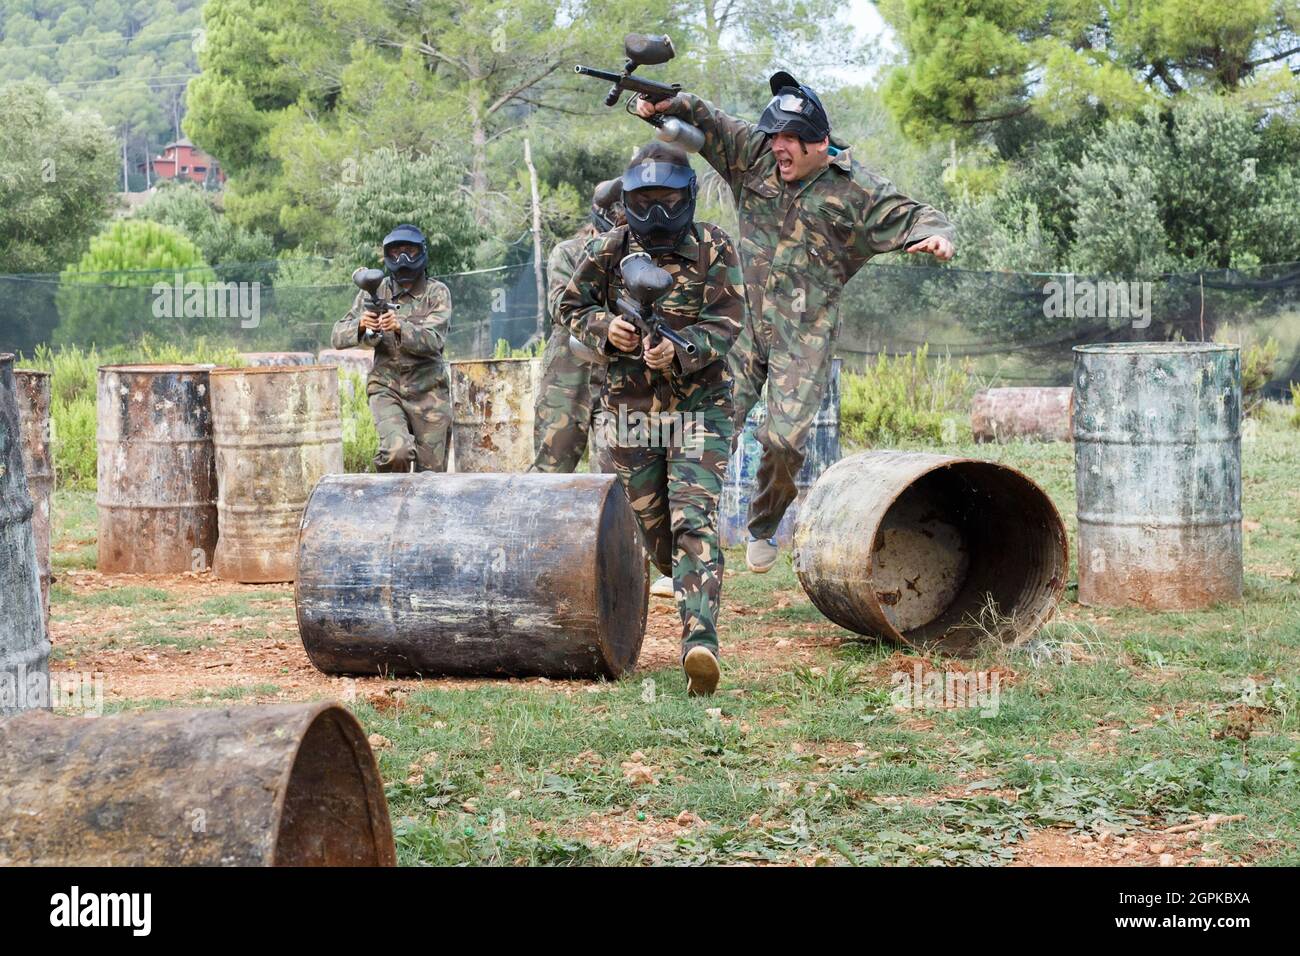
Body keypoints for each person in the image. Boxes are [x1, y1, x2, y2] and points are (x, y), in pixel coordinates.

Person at [636, 72, 956, 572]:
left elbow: (918, 215)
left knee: (784, 442)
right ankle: (680, 546)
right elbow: (710, 122)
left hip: (801, 336)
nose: (778, 147)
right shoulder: (755, 156)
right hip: (739, 327)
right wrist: (665, 104)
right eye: (775, 137)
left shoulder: (858, 192)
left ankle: (762, 525)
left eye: (789, 140)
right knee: (706, 429)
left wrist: (936, 236)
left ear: (818, 144)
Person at [558, 142, 744, 697]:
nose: (659, 213)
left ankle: (700, 642)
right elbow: (569, 306)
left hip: (698, 409)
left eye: (669, 200)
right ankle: (690, 590)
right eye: (647, 201)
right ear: (630, 200)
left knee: (693, 520)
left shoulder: (714, 246)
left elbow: (729, 321)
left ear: (687, 197)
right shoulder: (609, 248)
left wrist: (681, 349)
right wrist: (605, 328)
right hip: (633, 411)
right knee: (653, 529)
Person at [331, 224, 453, 472]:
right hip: (387, 388)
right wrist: (362, 326)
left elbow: (434, 340)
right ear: (388, 256)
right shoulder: (378, 290)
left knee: (431, 475)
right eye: (397, 253)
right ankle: (387, 506)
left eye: (409, 251)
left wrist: (400, 327)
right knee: (397, 452)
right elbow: (337, 335)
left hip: (429, 392)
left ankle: (422, 512)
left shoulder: (437, 293)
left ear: (421, 253)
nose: (403, 259)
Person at [531, 179, 625, 475]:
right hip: (567, 375)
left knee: (615, 472)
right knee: (551, 469)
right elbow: (561, 305)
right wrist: (608, 324)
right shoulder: (569, 253)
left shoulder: (634, 256)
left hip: (617, 374)